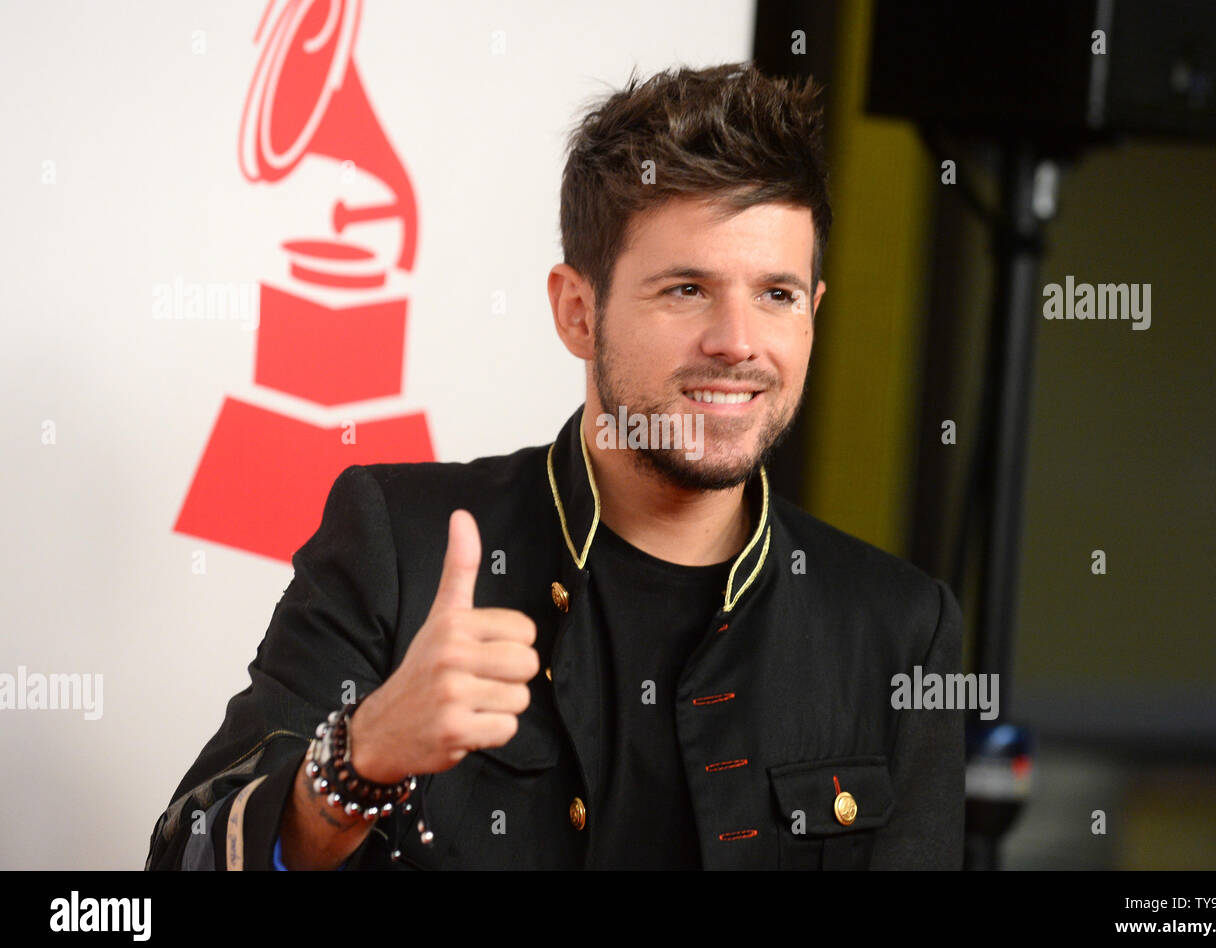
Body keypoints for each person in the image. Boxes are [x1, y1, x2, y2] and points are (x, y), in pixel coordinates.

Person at [146, 61, 964, 871]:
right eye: (686, 289)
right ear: (578, 310)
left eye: (776, 295)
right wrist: (358, 759)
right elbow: (181, 859)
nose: (738, 341)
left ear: (813, 313)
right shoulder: (399, 543)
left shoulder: (900, 628)